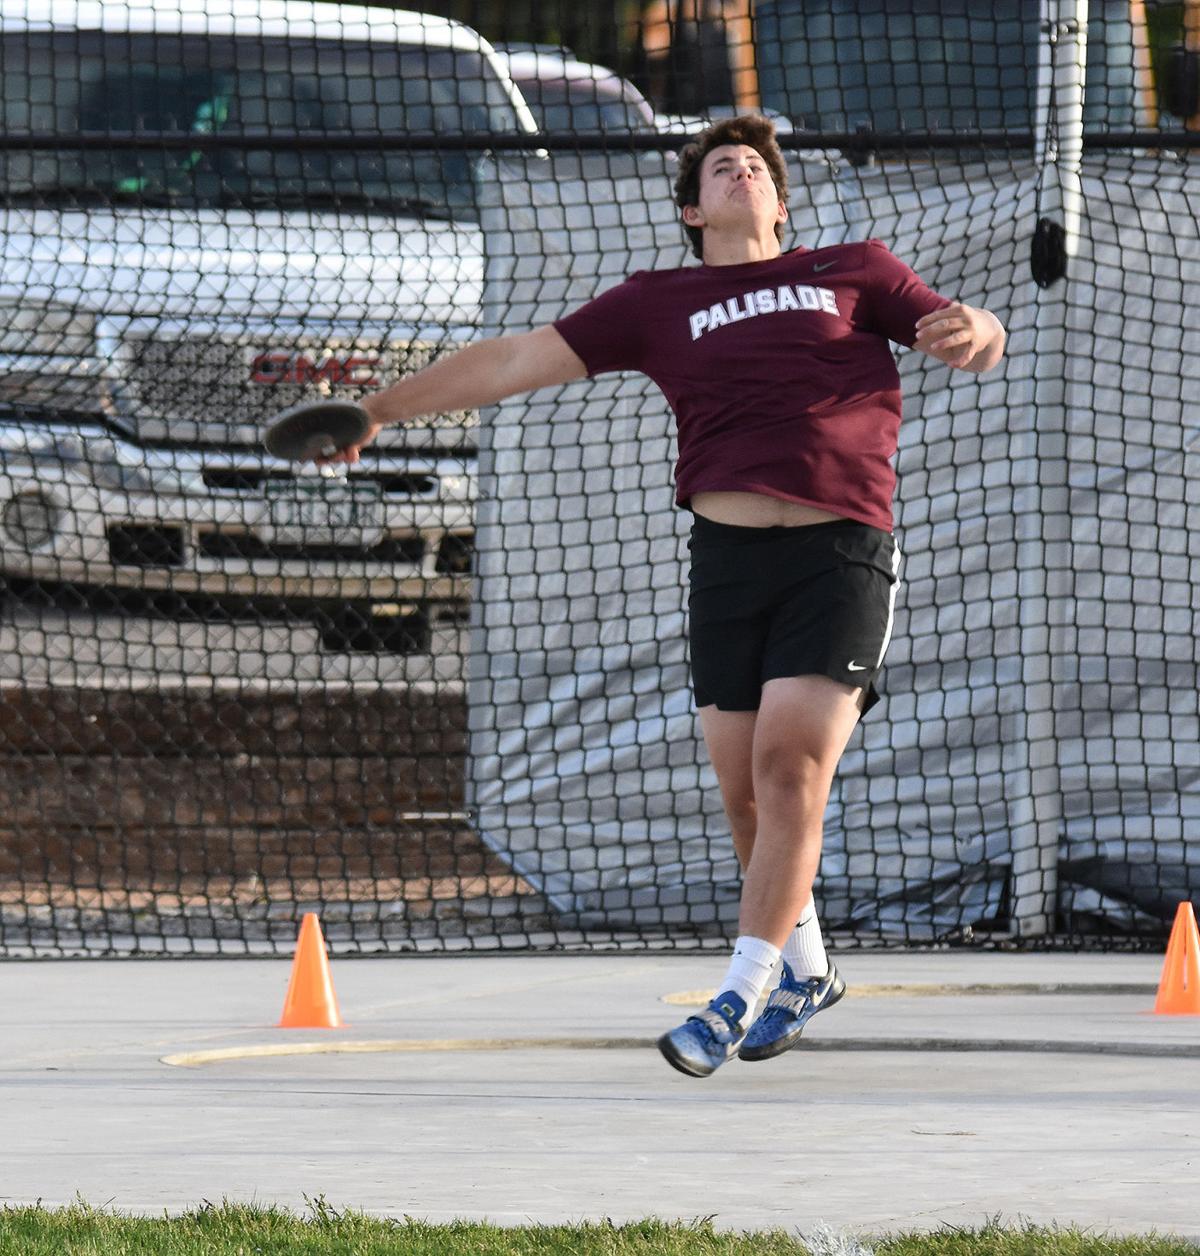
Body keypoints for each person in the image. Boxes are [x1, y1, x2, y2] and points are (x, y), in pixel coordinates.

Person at [320, 115, 1006, 1078]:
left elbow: (968, 328)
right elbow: (514, 360)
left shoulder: (854, 269)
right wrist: (378, 409)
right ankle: (804, 971)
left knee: (789, 770)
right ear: (693, 208)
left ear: (781, 198)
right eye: (719, 166)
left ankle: (734, 997)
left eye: (756, 165)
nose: (740, 170)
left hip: (839, 552)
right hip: (726, 562)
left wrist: (980, 327)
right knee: (744, 797)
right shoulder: (659, 301)